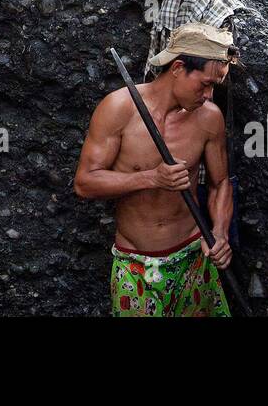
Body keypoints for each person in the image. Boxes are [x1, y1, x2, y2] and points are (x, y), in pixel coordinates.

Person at [74, 22, 236, 316]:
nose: (210, 95)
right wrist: (151, 177)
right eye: (206, 84)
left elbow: (220, 183)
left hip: (193, 259)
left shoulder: (209, 118)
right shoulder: (119, 108)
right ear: (177, 68)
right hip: (135, 265)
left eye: (215, 86)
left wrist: (220, 233)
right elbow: (85, 183)